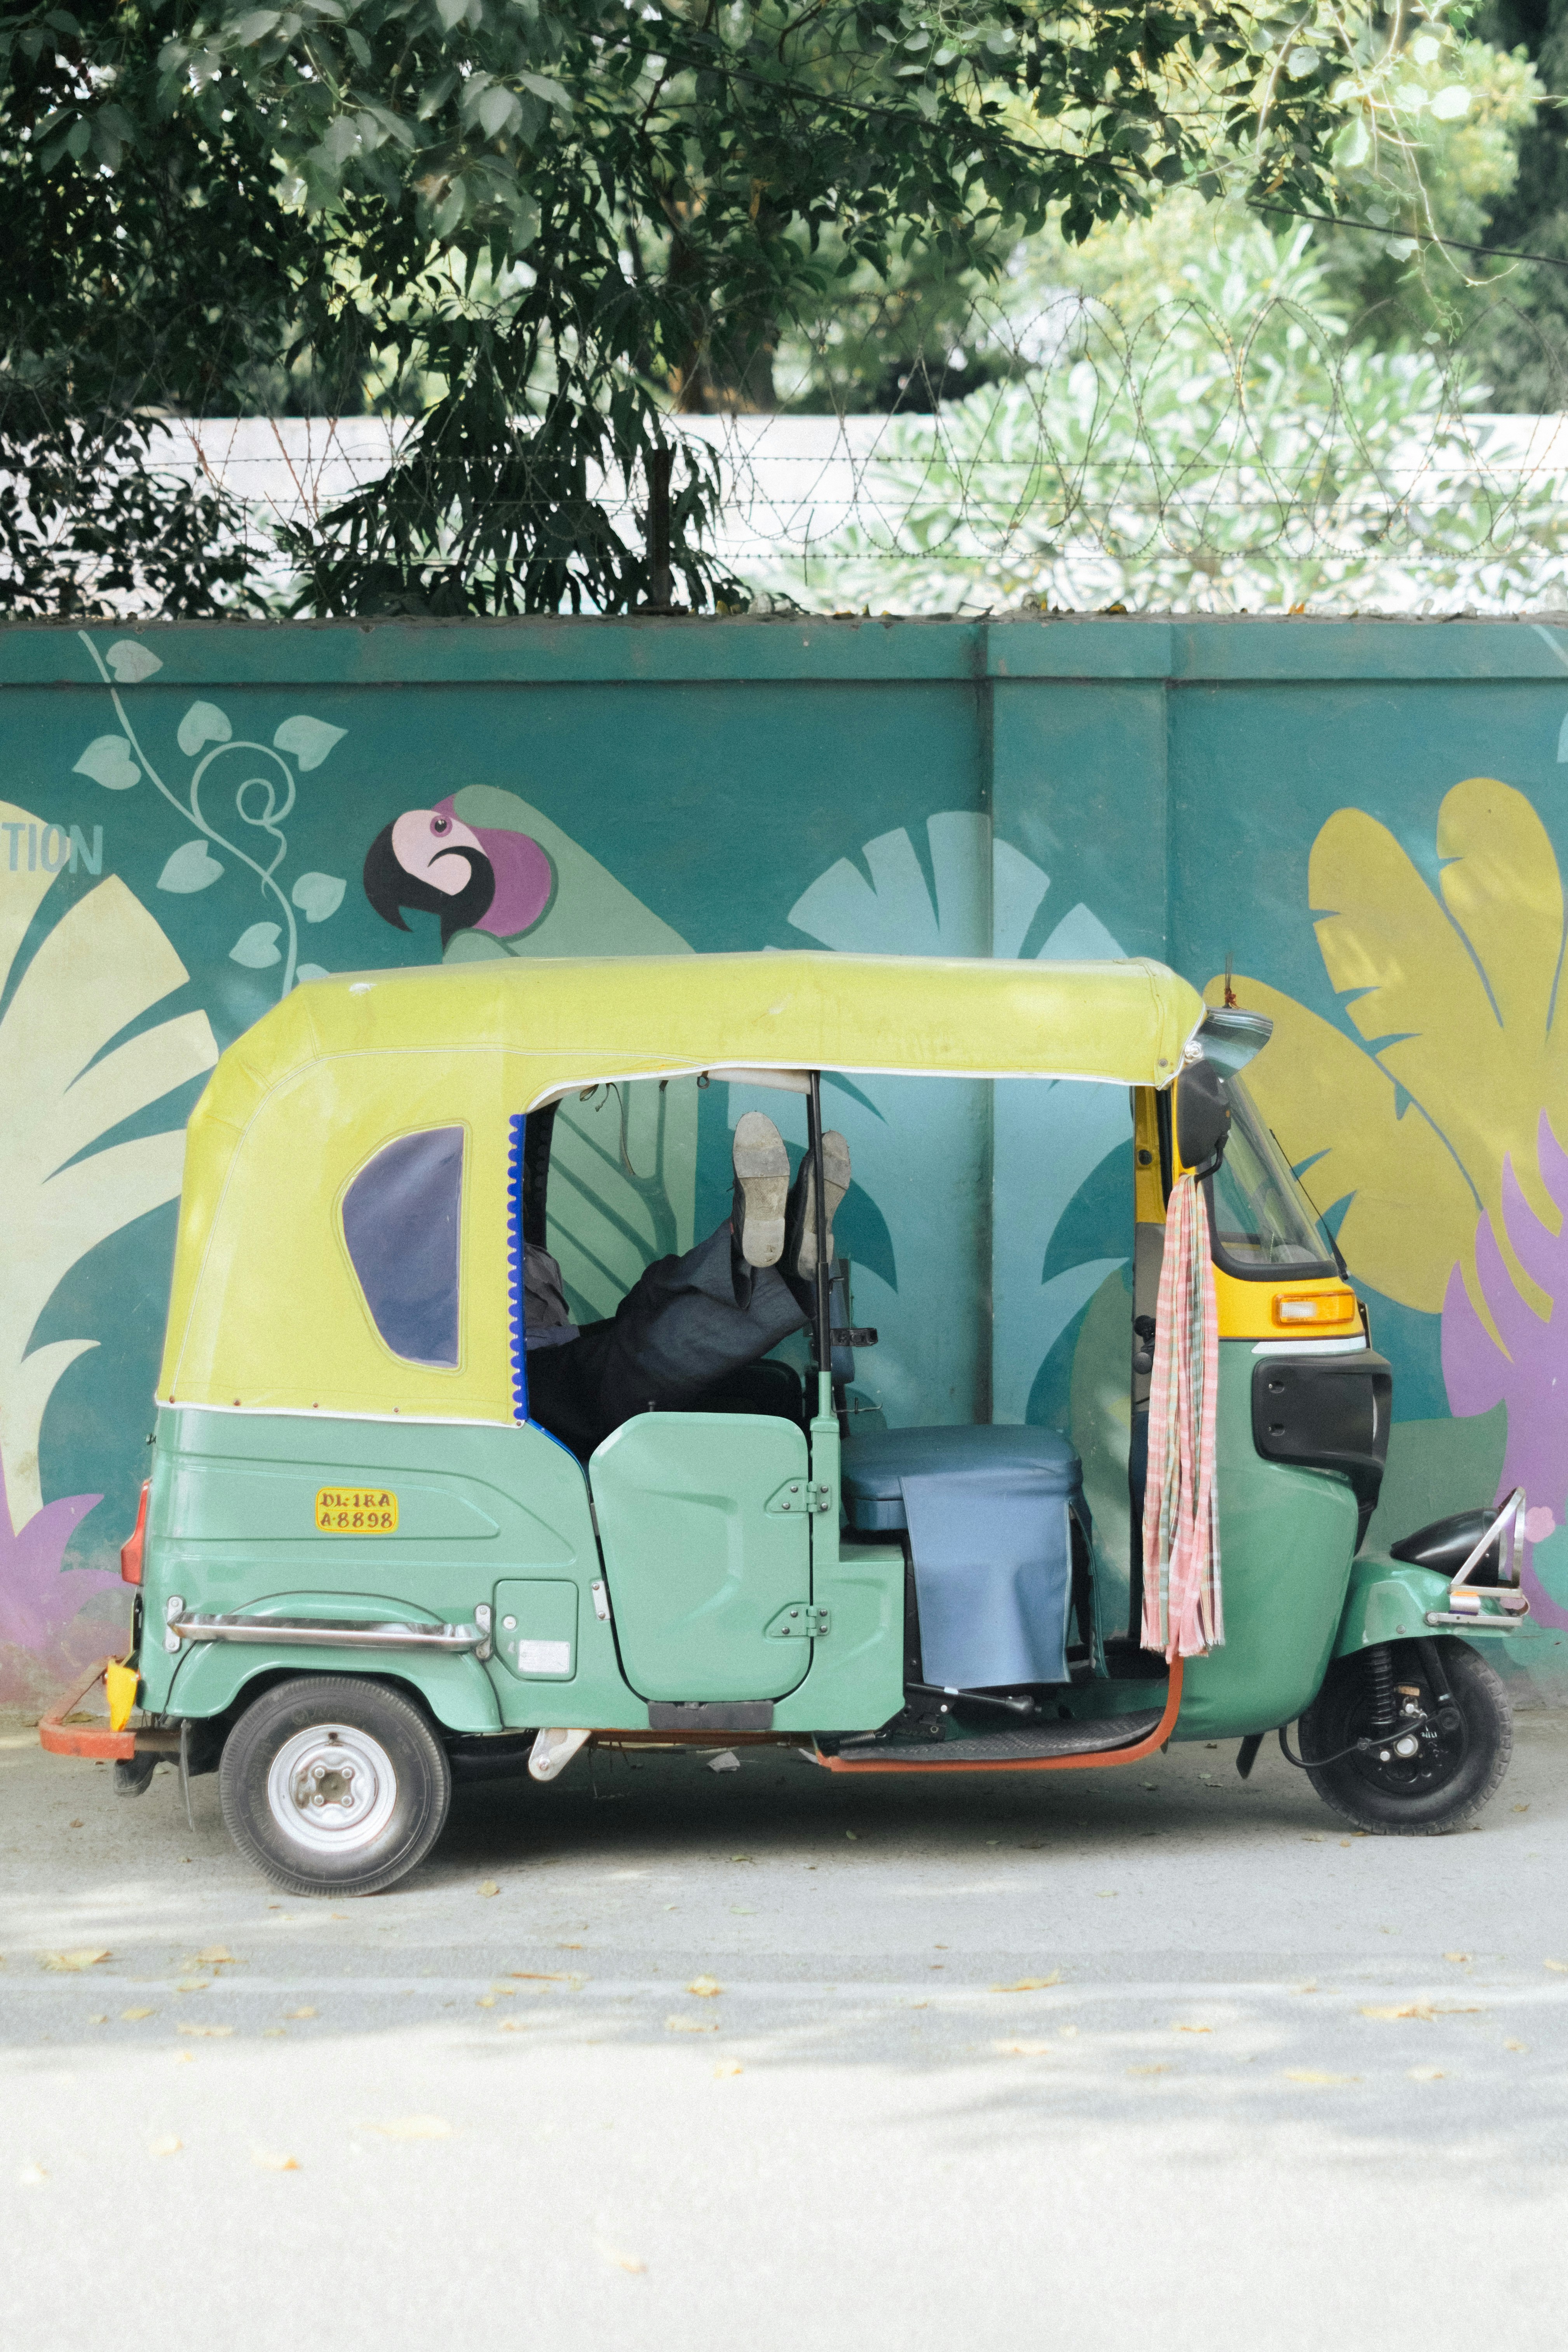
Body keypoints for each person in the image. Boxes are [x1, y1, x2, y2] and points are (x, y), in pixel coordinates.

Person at [523, 1112, 850, 1459]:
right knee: (644, 1351)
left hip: (561, 1355)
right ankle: (761, 1245)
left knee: (656, 1286)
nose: (525, 1190)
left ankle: (773, 1238)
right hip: (524, 1393)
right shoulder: (469, 1257)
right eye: (518, 1182)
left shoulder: (529, 1258)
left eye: (525, 1182)